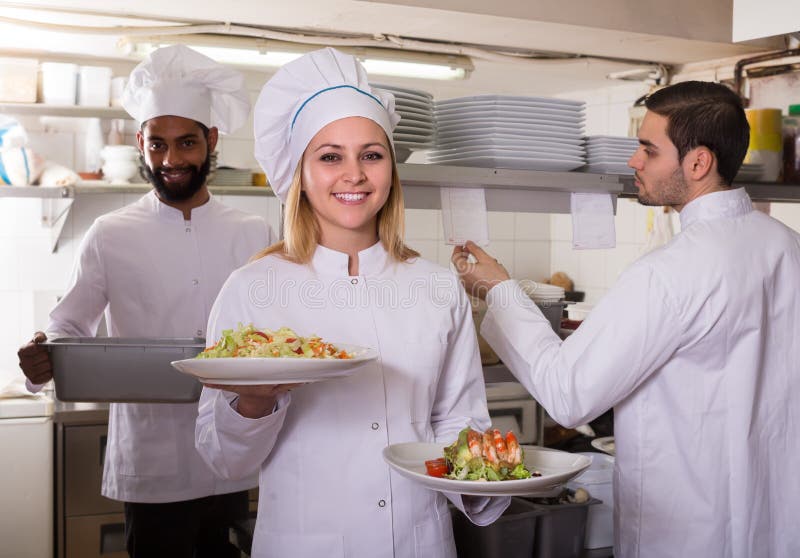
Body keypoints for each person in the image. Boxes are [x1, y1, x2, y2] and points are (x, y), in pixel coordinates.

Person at [453, 81, 800, 558]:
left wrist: (498, 290)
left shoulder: (668, 272)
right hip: (775, 526)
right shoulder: (787, 246)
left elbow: (568, 393)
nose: (634, 162)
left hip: (688, 535)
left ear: (698, 163)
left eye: (647, 149)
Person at [194, 47, 508, 558]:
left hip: (420, 542)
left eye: (371, 154)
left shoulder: (436, 285)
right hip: (305, 543)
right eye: (330, 156)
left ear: (390, 168)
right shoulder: (254, 288)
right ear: (301, 172)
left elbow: (458, 421)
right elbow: (223, 461)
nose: (354, 174)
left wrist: (487, 481)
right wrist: (254, 402)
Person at [17, 45, 276, 558]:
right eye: (157, 144)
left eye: (186, 143)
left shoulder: (253, 233)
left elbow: (274, 334)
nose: (171, 159)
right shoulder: (109, 234)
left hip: (235, 456)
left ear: (211, 141)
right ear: (140, 142)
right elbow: (68, 327)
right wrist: (42, 358)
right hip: (152, 466)